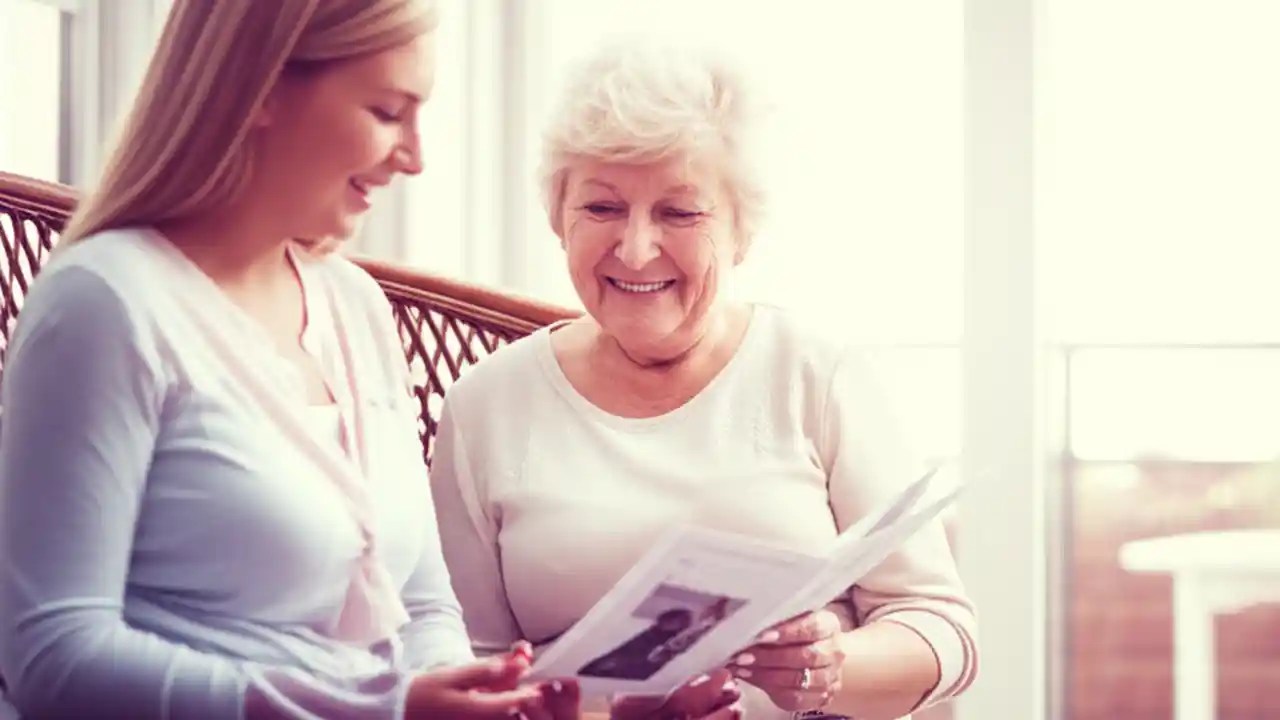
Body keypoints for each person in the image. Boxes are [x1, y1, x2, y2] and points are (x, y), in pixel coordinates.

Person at [0, 4, 739, 720]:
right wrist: (370, 708)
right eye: (388, 112)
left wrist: (513, 707)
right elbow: (53, 657)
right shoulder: (106, 304)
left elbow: (422, 609)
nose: (415, 157)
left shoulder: (352, 306)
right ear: (262, 88)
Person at [430, 39, 980, 719]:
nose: (634, 249)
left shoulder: (814, 373)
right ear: (557, 218)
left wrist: (828, 665)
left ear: (741, 231)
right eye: (601, 209)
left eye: (680, 213)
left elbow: (941, 631)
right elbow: (465, 657)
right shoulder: (485, 405)